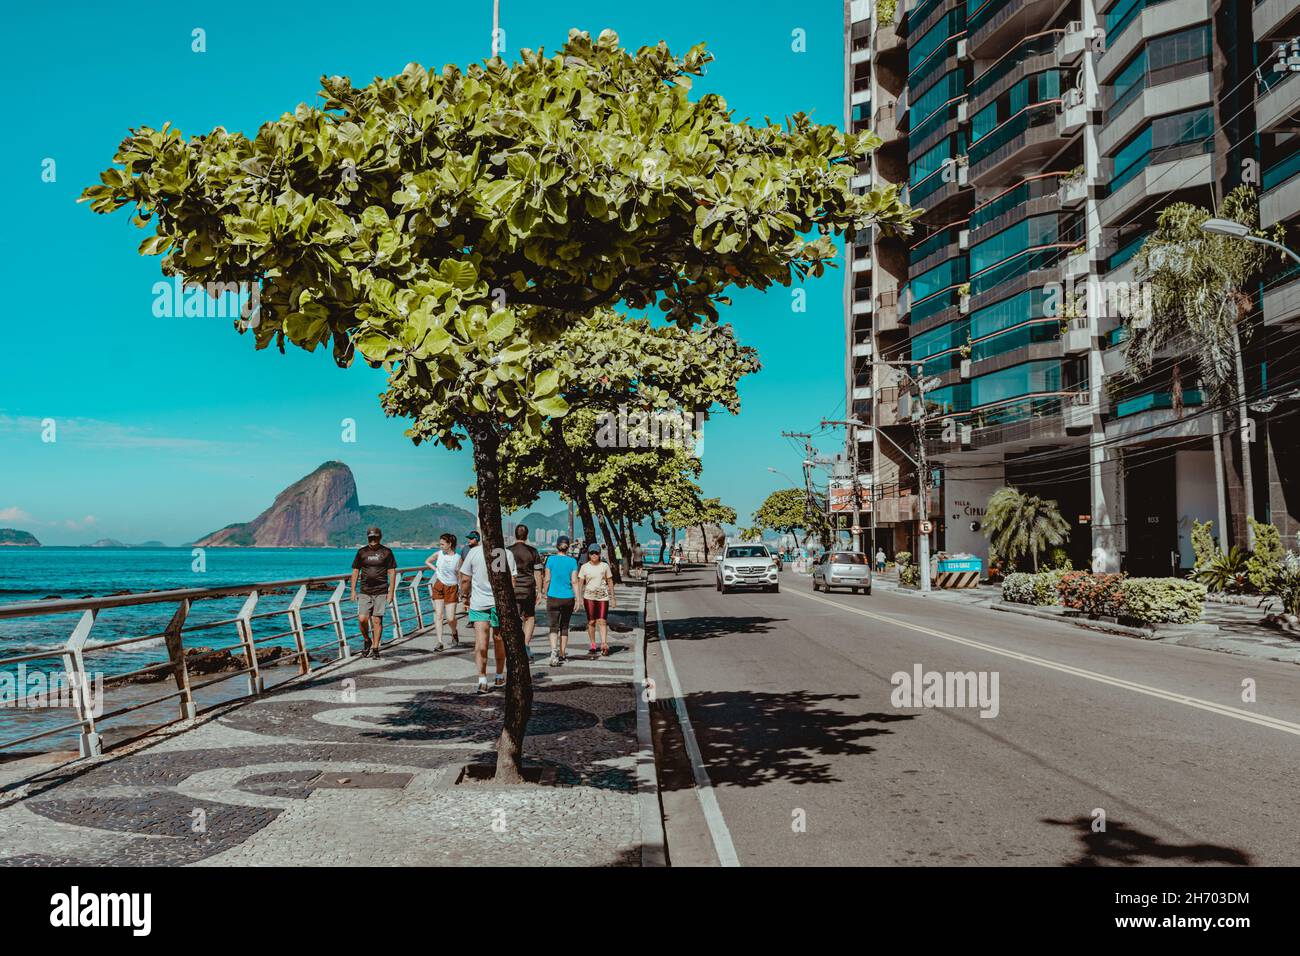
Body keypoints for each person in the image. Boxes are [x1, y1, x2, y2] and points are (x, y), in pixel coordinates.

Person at [459, 535, 517, 694]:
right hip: (500, 603)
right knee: (499, 640)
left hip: (478, 603)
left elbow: (465, 580)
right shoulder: (507, 553)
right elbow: (512, 581)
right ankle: (499, 676)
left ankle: (482, 680)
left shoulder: (474, 552)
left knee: (480, 641)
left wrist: (464, 596)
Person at [350, 526, 397, 658]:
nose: (373, 540)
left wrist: (391, 592)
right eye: (371, 538)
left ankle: (376, 648)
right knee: (362, 618)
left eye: (375, 537)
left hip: (381, 590)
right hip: (365, 590)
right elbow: (355, 570)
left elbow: (392, 572)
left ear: (380, 537)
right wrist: (353, 590)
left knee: (377, 620)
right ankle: (367, 640)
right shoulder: (361, 552)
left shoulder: (386, 552)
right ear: (368, 538)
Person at [507, 524, 544, 663]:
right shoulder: (533, 551)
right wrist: (540, 591)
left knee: (515, 619)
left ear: (515, 535)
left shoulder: (508, 551)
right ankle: (526, 645)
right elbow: (538, 573)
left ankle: (516, 648)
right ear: (527, 536)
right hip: (528, 589)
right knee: (529, 617)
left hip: (513, 589)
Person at [541, 535, 580, 666]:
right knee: (564, 626)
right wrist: (578, 599)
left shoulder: (550, 560)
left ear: (556, 546)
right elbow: (574, 581)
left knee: (553, 626)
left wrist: (543, 592)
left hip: (553, 597)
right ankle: (563, 653)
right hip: (568, 598)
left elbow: (547, 579)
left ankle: (554, 651)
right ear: (568, 547)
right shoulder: (572, 561)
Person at [577, 544, 616, 658]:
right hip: (589, 597)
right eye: (591, 553)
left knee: (602, 621)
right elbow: (580, 583)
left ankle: (604, 643)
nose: (594, 555)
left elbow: (610, 581)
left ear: (599, 554)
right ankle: (593, 644)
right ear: (588, 554)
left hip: (603, 597)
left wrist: (613, 597)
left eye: (596, 553)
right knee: (591, 622)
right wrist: (578, 598)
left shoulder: (605, 566)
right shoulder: (584, 567)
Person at [424, 533, 461, 650]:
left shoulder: (458, 558)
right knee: (438, 614)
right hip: (439, 585)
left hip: (452, 587)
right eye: (440, 544)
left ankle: (454, 632)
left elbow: (460, 575)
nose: (440, 546)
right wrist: (436, 570)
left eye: (442, 544)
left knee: (450, 618)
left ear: (450, 544)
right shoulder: (438, 554)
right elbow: (428, 561)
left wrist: (461, 589)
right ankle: (439, 642)